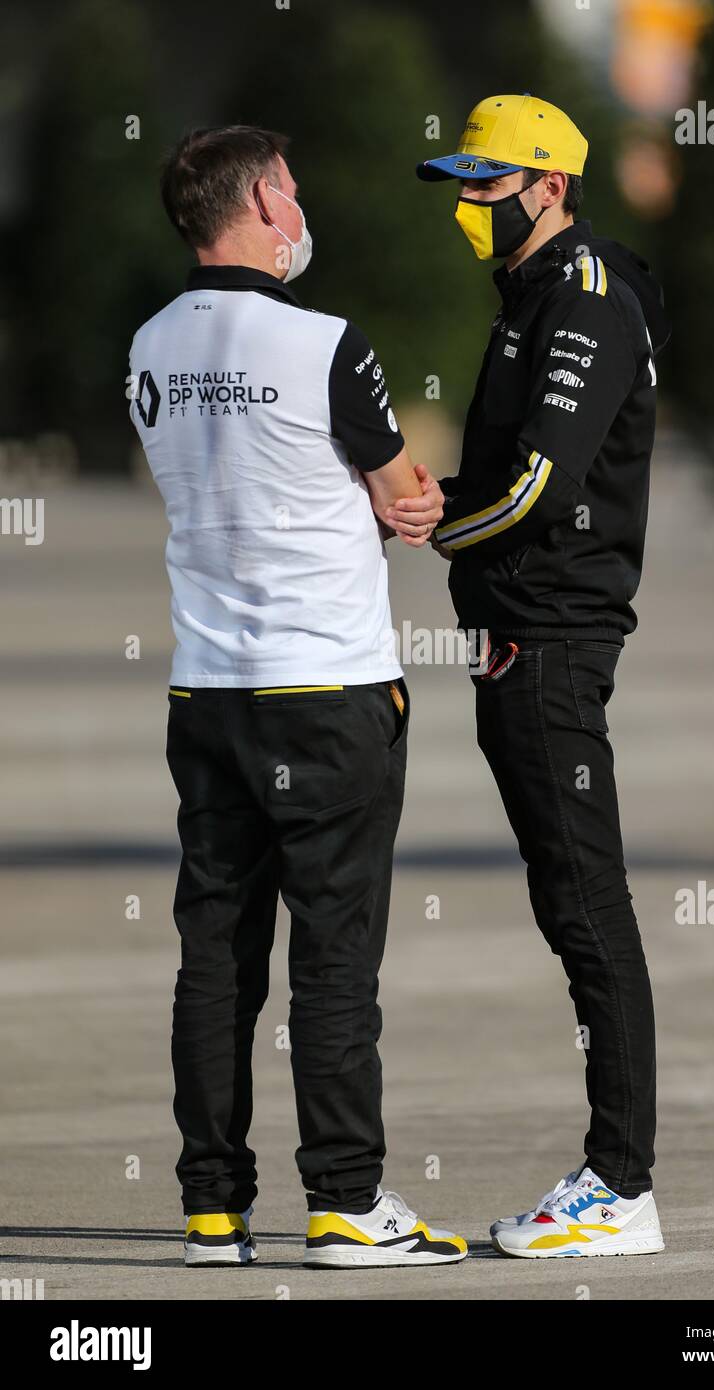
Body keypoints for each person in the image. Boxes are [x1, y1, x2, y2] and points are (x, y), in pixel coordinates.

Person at [128, 125, 466, 1269]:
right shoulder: (325, 340)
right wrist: (400, 500)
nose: (303, 210)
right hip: (328, 688)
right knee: (334, 958)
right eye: (297, 191)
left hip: (208, 691)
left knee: (213, 953)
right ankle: (344, 1202)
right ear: (268, 198)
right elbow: (403, 491)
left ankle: (212, 1210)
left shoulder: (148, 343)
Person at [394, 93, 670, 1258]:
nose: (469, 204)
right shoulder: (531, 295)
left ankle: (622, 1183)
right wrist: (430, 509)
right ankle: (617, 1175)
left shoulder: (584, 298)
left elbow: (536, 491)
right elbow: (499, 476)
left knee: (588, 906)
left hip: (553, 642)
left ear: (548, 185)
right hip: (516, 636)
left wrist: (421, 525)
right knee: (571, 905)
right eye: (460, 181)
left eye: (486, 184)